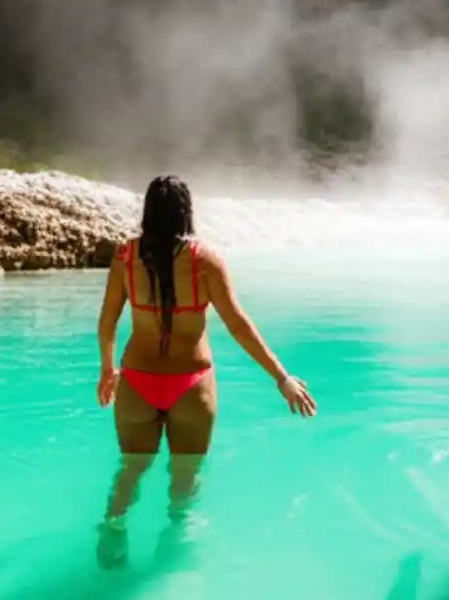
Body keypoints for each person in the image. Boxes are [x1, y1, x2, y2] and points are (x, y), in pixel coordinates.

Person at [94, 174, 317, 569]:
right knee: (186, 476)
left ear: (147, 211)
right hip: (191, 386)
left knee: (131, 467)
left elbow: (108, 320)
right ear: (186, 212)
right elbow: (237, 324)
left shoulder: (124, 258)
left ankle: (114, 528)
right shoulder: (205, 261)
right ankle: (174, 550)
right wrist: (281, 378)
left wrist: (107, 369)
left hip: (137, 380)